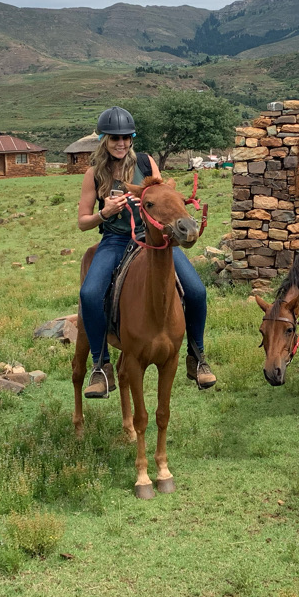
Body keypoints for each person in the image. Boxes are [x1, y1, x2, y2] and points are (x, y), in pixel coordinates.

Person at [76, 106, 215, 398]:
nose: (121, 143)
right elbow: (83, 222)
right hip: (115, 240)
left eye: (126, 137)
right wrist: (105, 212)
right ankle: (101, 366)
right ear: (104, 139)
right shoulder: (93, 174)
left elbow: (161, 195)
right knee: (89, 294)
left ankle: (197, 356)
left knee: (196, 290)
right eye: (115, 138)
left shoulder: (145, 162)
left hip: (151, 238)